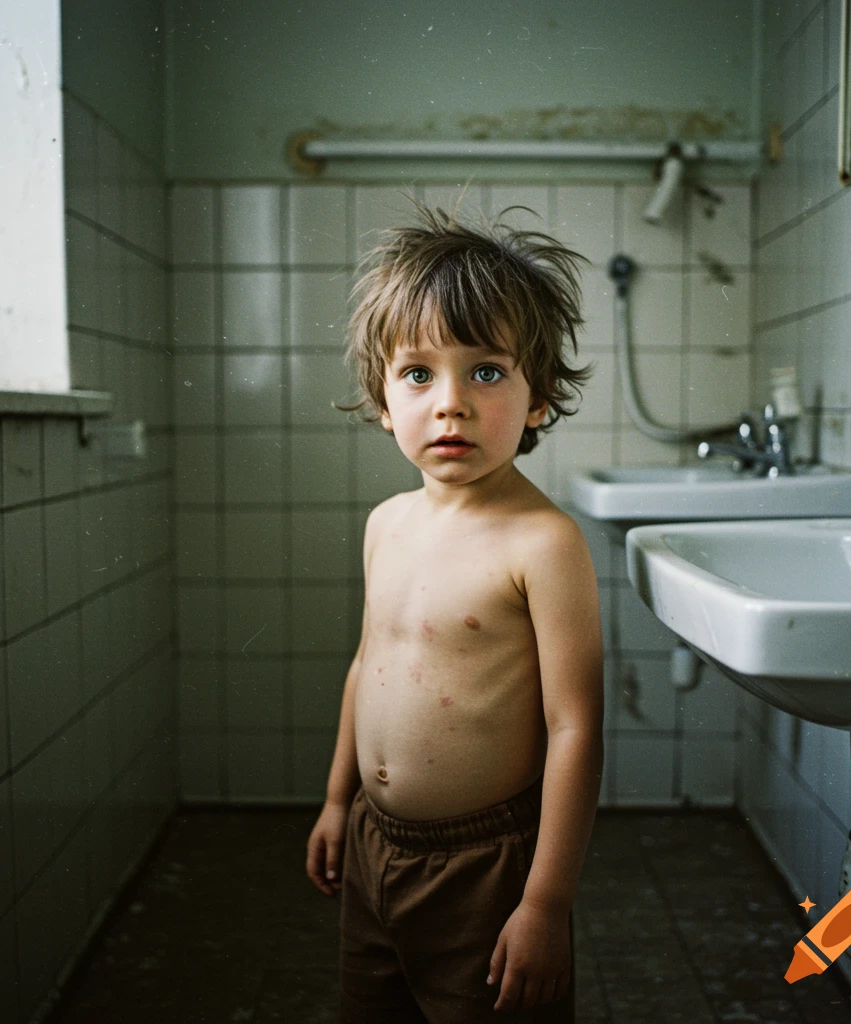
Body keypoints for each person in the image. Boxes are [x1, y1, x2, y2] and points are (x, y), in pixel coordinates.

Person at [306, 193, 605, 1023]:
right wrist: (338, 801)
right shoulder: (385, 524)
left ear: (539, 396)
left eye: (486, 370)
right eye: (417, 373)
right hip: (376, 845)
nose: (451, 402)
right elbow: (368, 666)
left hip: (485, 865)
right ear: (382, 396)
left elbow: (577, 727)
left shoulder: (543, 544)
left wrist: (544, 904)